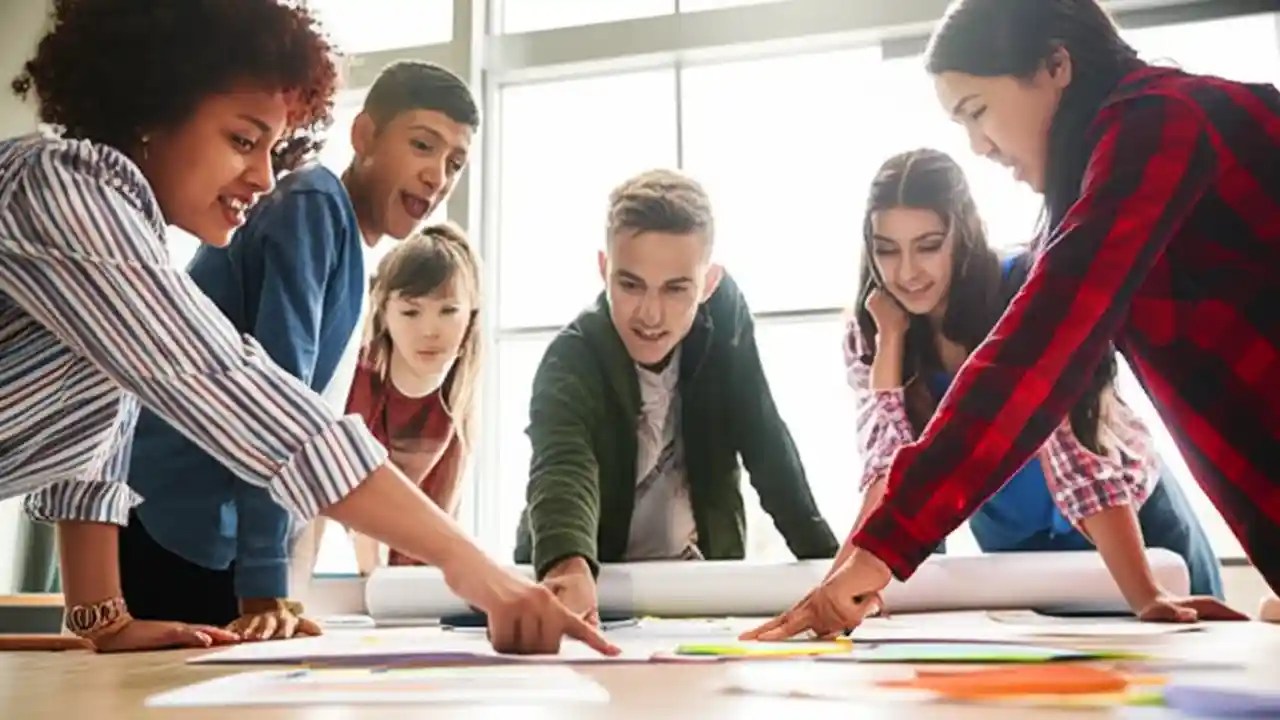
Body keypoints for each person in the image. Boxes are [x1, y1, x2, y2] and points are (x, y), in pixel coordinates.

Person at [0, 0, 614, 657]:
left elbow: (99, 442)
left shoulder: (124, 235)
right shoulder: (61, 189)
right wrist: (475, 569)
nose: (265, 176)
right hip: (181, 529)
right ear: (151, 108)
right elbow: (246, 394)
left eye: (273, 147)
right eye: (243, 140)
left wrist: (103, 620)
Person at [745, 0, 1278, 640]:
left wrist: (880, 551)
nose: (979, 145)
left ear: (1055, 66)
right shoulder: (1086, 194)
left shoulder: (1162, 124)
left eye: (977, 111)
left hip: (1135, 526)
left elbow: (1037, 364)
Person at [118, 59, 478, 641]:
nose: (437, 175)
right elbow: (276, 405)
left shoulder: (345, 243)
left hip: (205, 535)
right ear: (365, 136)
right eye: (422, 145)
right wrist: (265, 585)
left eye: (455, 163)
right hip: (177, 524)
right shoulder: (313, 207)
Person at [837, 148, 1227, 618]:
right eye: (886, 249)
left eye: (928, 245)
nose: (906, 272)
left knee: (1188, 650)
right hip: (1018, 545)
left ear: (965, 233)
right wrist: (891, 343)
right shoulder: (873, 328)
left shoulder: (1026, 288)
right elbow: (891, 473)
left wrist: (1146, 594)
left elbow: (1077, 452)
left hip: (1129, 527)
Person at [513, 168, 839, 624]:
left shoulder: (725, 321)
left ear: (709, 283)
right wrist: (566, 568)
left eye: (676, 289)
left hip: (699, 586)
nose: (650, 314)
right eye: (630, 285)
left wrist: (832, 567)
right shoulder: (571, 358)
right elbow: (563, 468)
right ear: (604, 270)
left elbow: (763, 437)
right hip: (593, 586)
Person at [295, 222, 482, 577]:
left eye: (448, 311)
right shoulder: (355, 379)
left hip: (398, 563)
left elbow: (437, 525)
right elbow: (315, 489)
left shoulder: (458, 398)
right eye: (411, 312)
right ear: (384, 312)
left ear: (471, 314)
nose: (430, 330)